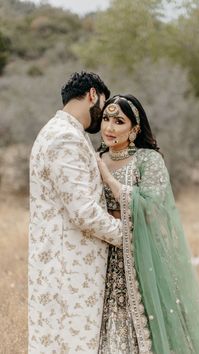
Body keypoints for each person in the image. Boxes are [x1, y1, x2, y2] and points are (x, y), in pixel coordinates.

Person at [96, 94, 199, 354]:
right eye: (105, 119)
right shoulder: (95, 158)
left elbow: (153, 208)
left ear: (135, 129)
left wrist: (109, 180)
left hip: (143, 253)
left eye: (119, 121)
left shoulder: (148, 160)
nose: (109, 128)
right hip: (103, 253)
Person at [28, 72, 124, 354]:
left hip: (65, 266)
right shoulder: (65, 138)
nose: (103, 117)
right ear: (93, 95)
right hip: (68, 270)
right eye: (104, 106)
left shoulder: (62, 132)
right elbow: (83, 212)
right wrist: (128, 234)